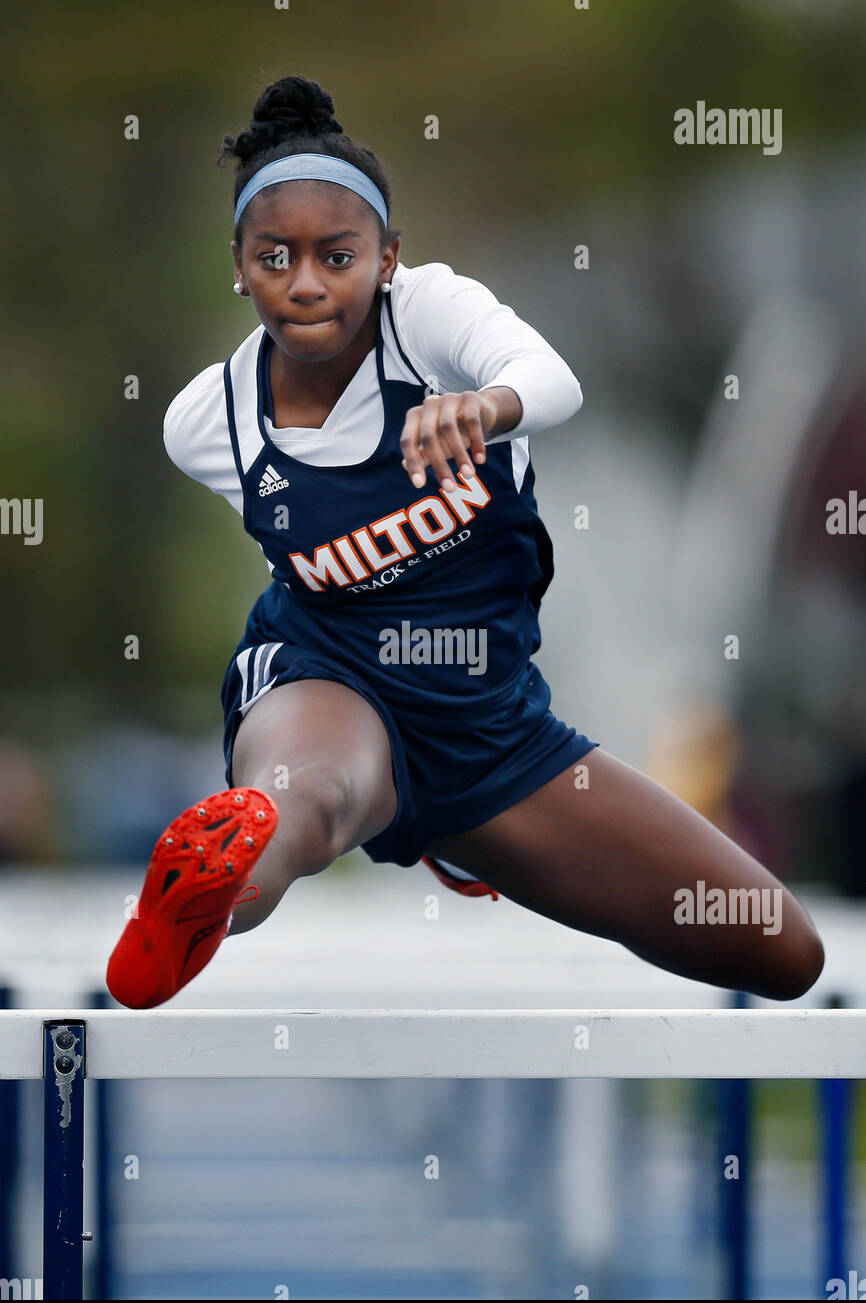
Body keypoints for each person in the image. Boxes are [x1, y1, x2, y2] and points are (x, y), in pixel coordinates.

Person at [106, 75, 824, 1010]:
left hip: (491, 731)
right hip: (330, 674)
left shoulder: (432, 322)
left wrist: (484, 405)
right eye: (275, 258)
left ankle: (447, 834)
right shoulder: (208, 422)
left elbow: (549, 379)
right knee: (309, 800)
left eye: (339, 255)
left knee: (777, 949)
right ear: (238, 266)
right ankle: (197, 901)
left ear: (390, 259)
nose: (308, 283)